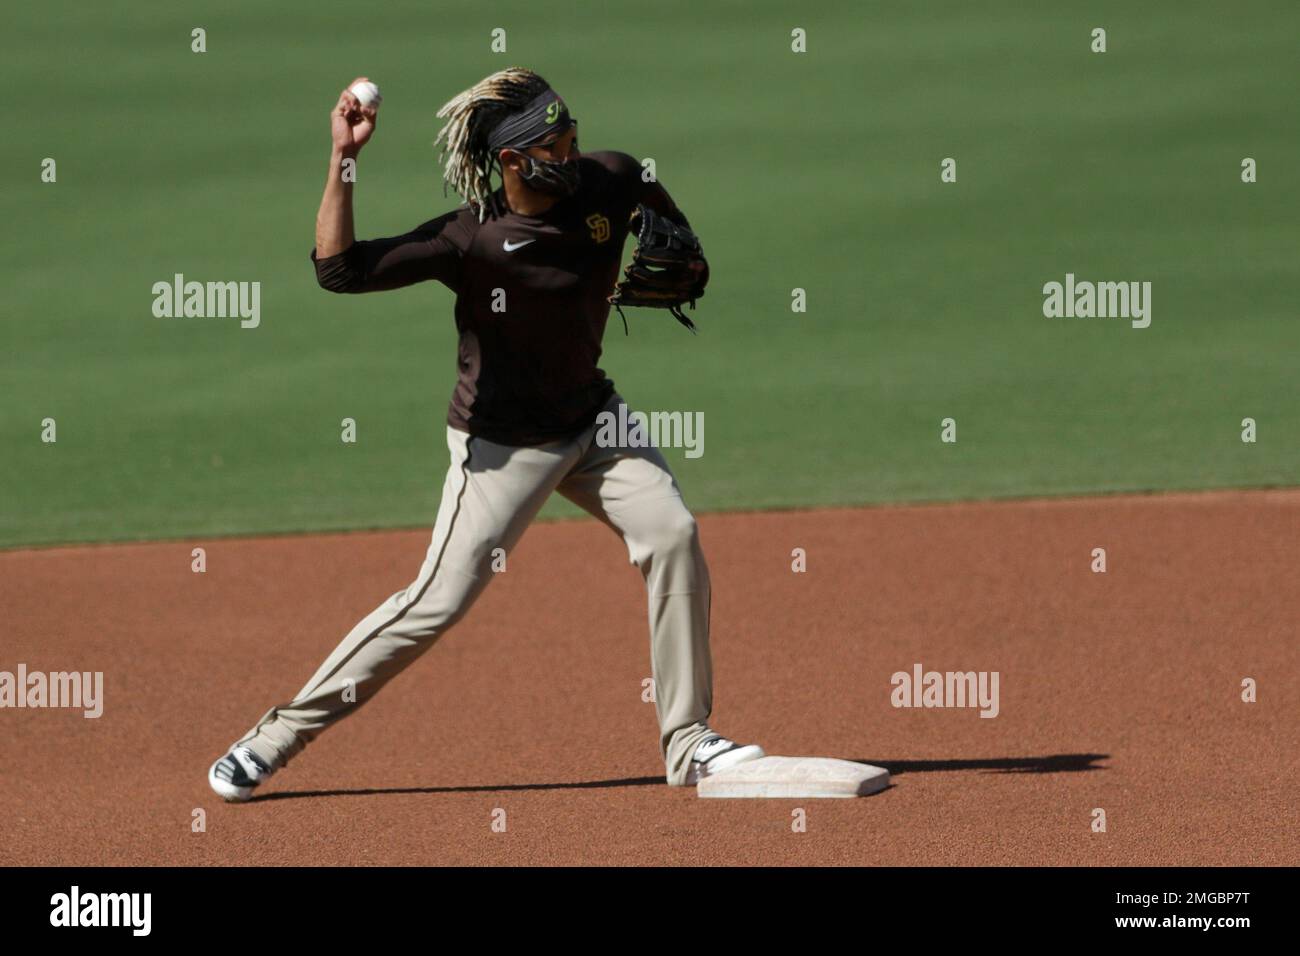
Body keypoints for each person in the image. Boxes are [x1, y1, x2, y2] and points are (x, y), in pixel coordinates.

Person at [208, 67, 763, 802]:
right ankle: (276, 735)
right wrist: (345, 157)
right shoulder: (470, 239)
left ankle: (688, 742)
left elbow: (668, 228)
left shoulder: (614, 179)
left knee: (672, 535)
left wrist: (686, 256)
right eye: (556, 145)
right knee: (434, 602)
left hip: (593, 419)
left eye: (574, 139)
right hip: (500, 448)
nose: (573, 155)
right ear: (511, 160)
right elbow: (339, 271)